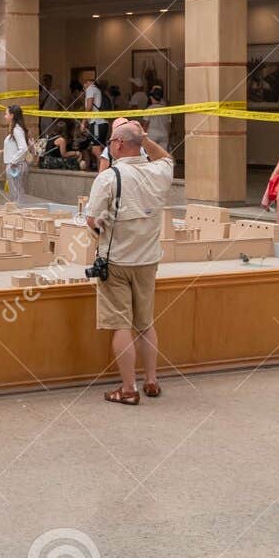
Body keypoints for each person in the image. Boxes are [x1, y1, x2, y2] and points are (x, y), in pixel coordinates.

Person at [86, 119, 175, 406]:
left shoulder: (109, 177)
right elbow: (167, 157)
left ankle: (128, 389)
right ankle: (151, 381)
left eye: (112, 140)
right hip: (148, 260)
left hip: (117, 261)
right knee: (145, 323)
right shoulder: (159, 171)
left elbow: (92, 219)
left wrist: (101, 232)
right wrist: (144, 137)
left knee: (120, 324)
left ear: (118, 144)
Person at [3, 103, 31, 199]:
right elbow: (17, 147)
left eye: (6, 114)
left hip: (16, 166)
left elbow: (23, 148)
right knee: (17, 193)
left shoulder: (16, 130)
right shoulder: (18, 129)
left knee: (16, 194)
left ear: (12, 116)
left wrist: (12, 162)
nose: (5, 116)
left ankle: (18, 212)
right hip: (17, 164)